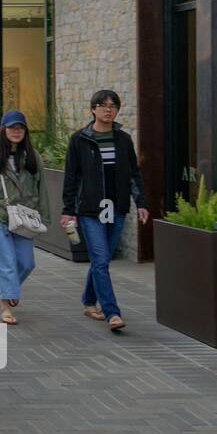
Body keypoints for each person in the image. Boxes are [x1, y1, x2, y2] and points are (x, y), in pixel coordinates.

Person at [61, 90, 149, 332]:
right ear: (93, 109)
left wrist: (141, 202)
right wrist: (68, 210)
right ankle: (112, 312)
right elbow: (71, 177)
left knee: (102, 260)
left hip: (117, 208)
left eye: (113, 106)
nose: (108, 110)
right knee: (100, 259)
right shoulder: (80, 139)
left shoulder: (123, 139)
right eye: (103, 105)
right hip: (90, 210)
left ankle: (89, 301)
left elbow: (134, 173)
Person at [0, 111, 50, 324]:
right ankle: (6, 306)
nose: (16, 131)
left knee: (26, 262)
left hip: (25, 217)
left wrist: (44, 216)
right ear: (3, 130)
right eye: (12, 128)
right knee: (6, 263)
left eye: (20, 128)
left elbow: (42, 189)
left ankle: (10, 289)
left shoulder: (33, 158)